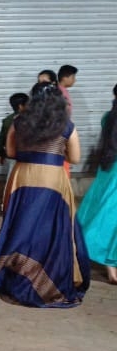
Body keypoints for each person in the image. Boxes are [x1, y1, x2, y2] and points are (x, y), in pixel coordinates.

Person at [0, 82, 90, 307]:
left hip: (23, 176)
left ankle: (14, 271)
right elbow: (74, 158)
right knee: (51, 228)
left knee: (20, 225)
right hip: (53, 178)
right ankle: (47, 280)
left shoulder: (19, 122)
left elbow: (11, 152)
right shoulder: (66, 125)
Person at [78, 84, 117, 283]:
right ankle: (111, 262)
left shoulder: (107, 118)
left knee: (102, 212)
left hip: (108, 168)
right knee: (111, 215)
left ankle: (109, 266)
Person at [0, 93, 29, 186]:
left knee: (11, 179)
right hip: (25, 156)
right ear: (21, 106)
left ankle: (8, 198)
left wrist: (1, 154)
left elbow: (1, 139)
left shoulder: (7, 120)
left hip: (12, 156)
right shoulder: (29, 119)